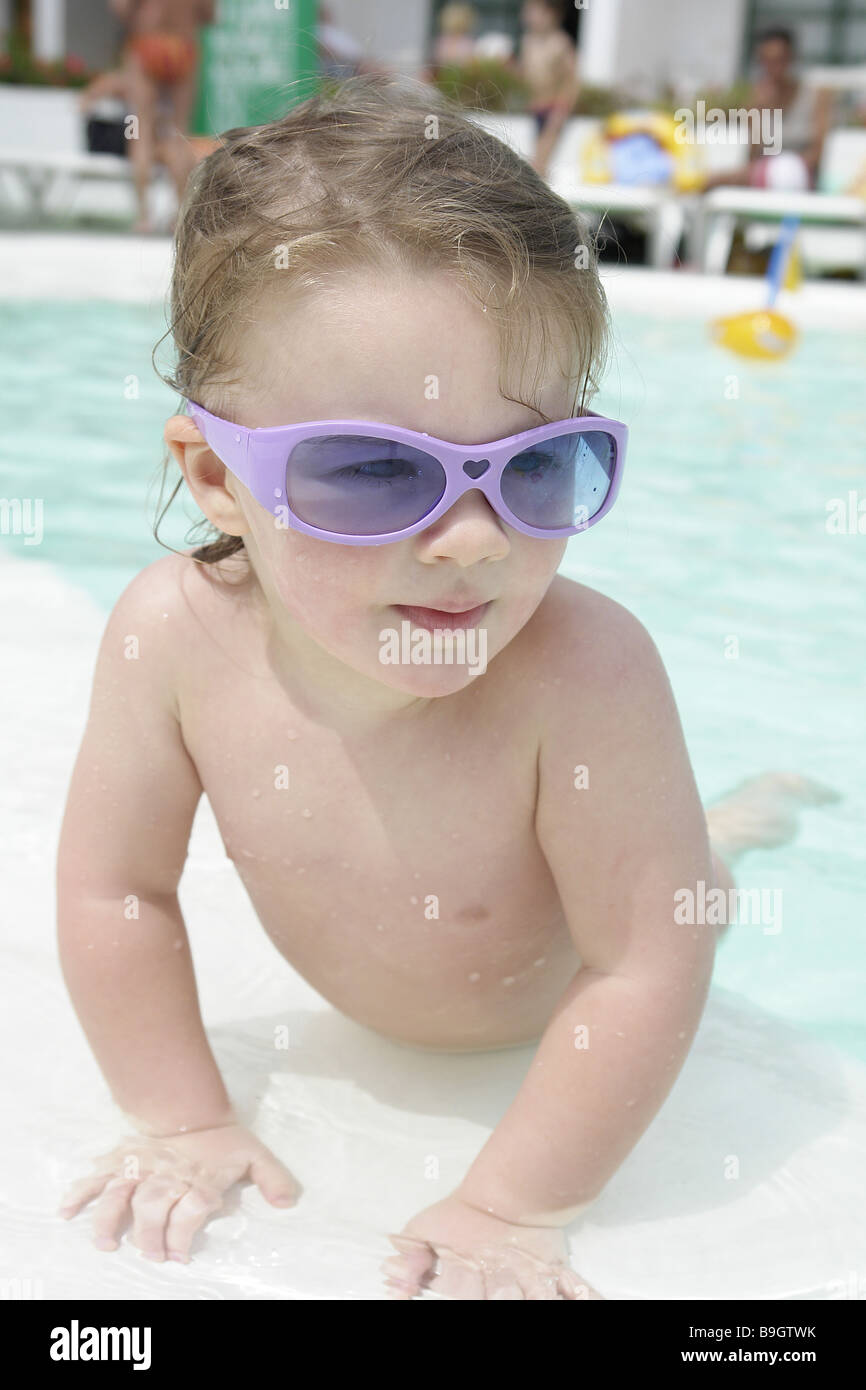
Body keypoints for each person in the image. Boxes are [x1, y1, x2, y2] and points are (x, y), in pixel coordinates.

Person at [55, 75, 835, 1301]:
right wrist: (181, 1115)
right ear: (214, 475)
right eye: (371, 471)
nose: (473, 539)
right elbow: (116, 890)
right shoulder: (174, 642)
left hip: (594, 951)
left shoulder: (585, 675)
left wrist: (513, 1203)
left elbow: (642, 963)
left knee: (696, 882)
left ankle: (742, 816)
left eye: (538, 468)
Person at [106, 0, 215, 234]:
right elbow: (209, 15)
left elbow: (122, 8)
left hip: (148, 41)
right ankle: (179, 215)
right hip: (182, 45)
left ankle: (144, 216)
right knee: (179, 133)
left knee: (141, 130)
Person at [702, 27, 834, 192]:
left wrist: (784, 167)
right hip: (764, 174)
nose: (773, 68)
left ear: (791, 59)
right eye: (766, 61)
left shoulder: (815, 96)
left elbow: (818, 152)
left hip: (801, 174)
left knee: (717, 180)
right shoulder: (757, 98)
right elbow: (753, 155)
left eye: (779, 60)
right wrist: (759, 113)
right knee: (715, 179)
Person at [513, 0, 579, 179]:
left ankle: (541, 192)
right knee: (533, 153)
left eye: (534, 12)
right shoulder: (528, 41)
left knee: (542, 158)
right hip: (536, 106)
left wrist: (562, 109)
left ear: (552, 15)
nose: (528, 17)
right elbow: (525, 74)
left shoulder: (561, 43)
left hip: (553, 107)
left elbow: (571, 81)